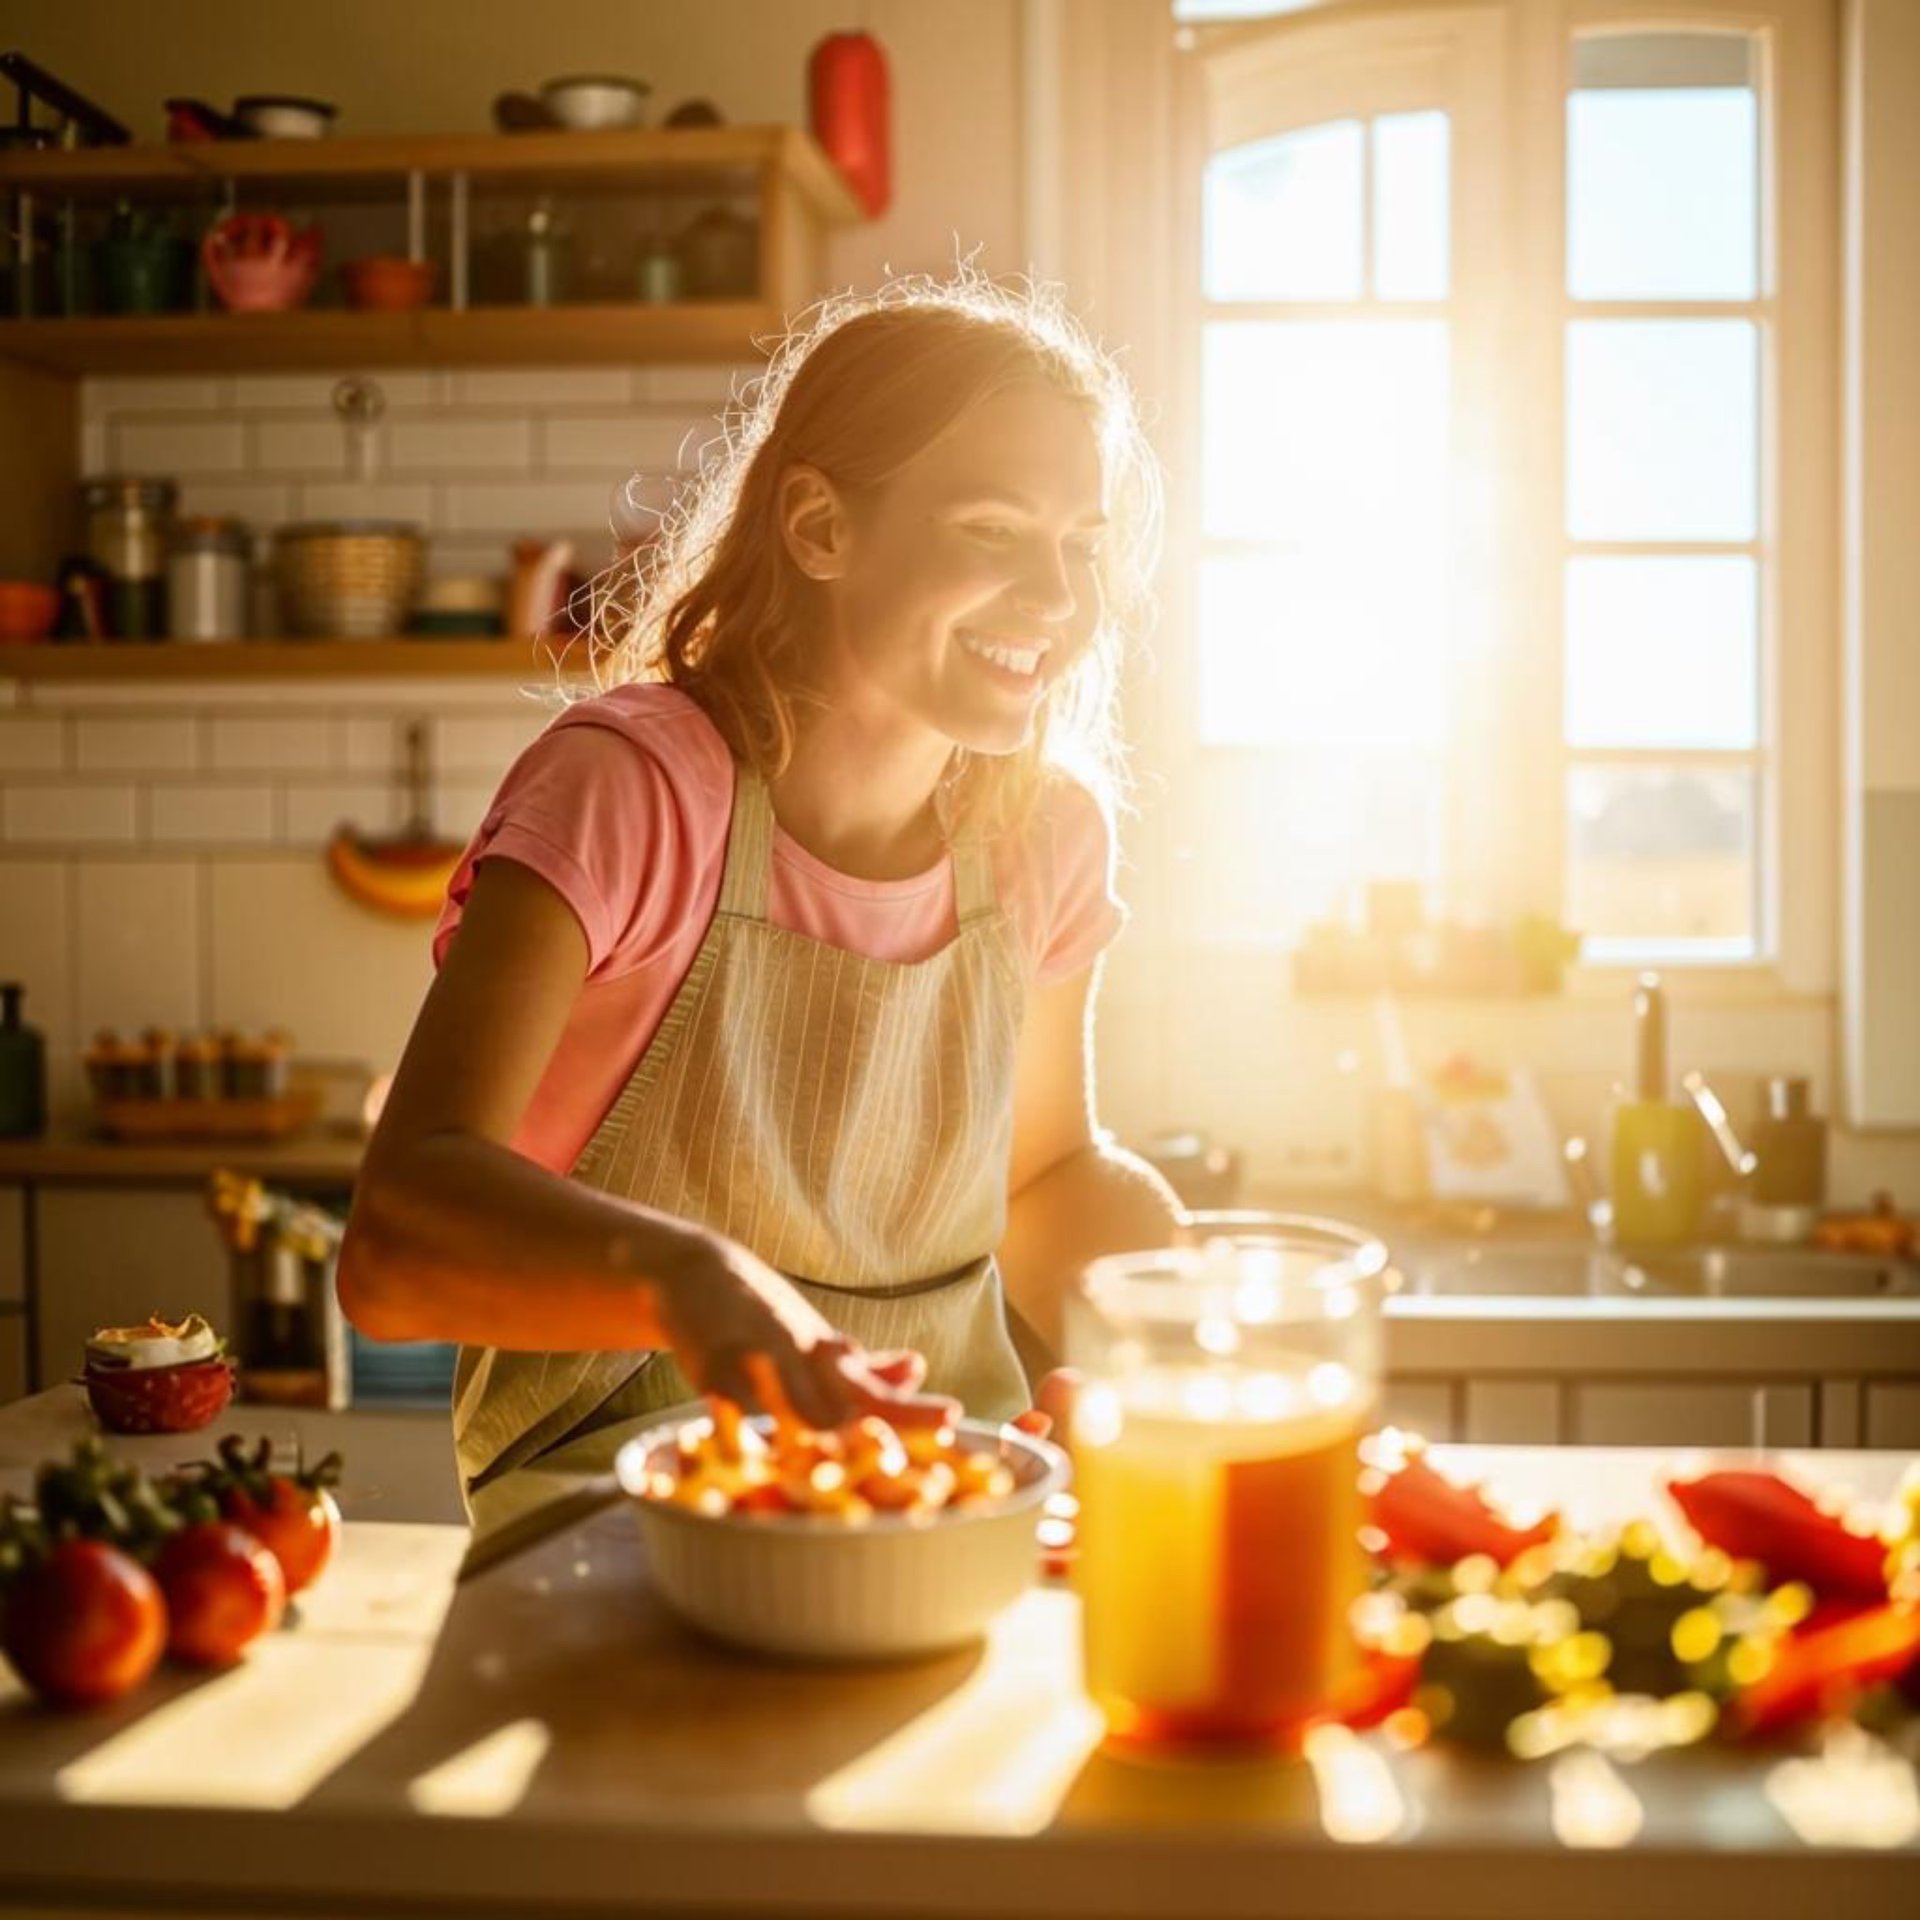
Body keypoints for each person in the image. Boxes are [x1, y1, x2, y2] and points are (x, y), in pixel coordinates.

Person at [336, 270, 1182, 1521]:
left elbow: (1043, 1177)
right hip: (613, 1530)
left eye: (1080, 547)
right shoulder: (628, 793)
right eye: (994, 532)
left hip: (937, 1507)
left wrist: (1201, 1326)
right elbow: (398, 1248)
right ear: (822, 527)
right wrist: (691, 1282)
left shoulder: (1042, 835)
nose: (1059, 600)